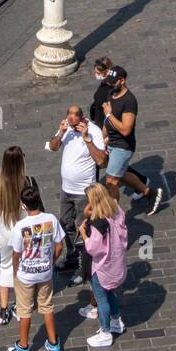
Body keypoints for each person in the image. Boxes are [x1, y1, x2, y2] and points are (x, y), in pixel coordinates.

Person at [7, 185, 64, 351]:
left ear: (23, 205)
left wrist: (16, 272)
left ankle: (23, 348)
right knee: (47, 306)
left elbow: (16, 254)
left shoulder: (20, 226)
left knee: (24, 311)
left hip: (26, 275)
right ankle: (54, 345)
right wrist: (51, 262)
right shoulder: (51, 219)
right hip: (45, 272)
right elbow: (60, 245)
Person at [46, 106, 107, 273]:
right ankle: (73, 257)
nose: (71, 119)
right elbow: (52, 147)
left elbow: (102, 161)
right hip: (66, 190)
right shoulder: (66, 129)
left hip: (84, 192)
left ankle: (84, 267)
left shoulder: (93, 131)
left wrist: (86, 138)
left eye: (75, 115)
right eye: (69, 115)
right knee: (66, 225)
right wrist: (60, 133)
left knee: (84, 229)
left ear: (82, 117)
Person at [101, 66, 163, 212]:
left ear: (122, 80)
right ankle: (149, 193)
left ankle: (113, 216)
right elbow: (106, 122)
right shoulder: (111, 94)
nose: (109, 85)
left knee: (111, 182)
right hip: (111, 143)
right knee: (120, 174)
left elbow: (125, 129)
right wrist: (102, 137)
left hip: (122, 147)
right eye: (108, 82)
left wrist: (109, 115)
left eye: (113, 82)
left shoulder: (129, 101)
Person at [79, 183, 129, 347]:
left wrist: (84, 235)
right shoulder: (117, 211)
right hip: (116, 265)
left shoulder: (98, 224)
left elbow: (93, 248)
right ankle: (116, 321)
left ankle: (105, 332)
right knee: (110, 294)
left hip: (101, 268)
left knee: (101, 300)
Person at [0, 146, 31, 327]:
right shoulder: (27, 181)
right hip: (23, 230)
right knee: (23, 267)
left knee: (4, 265)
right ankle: (20, 305)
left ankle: (3, 309)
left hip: (5, 228)